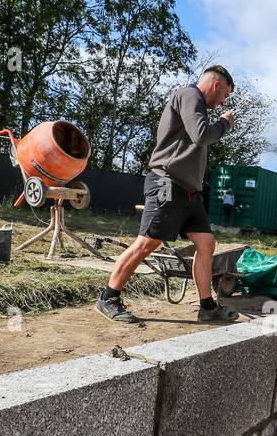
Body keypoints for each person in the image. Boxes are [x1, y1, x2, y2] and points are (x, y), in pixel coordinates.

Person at [98, 65, 239, 324]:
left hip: (189, 192)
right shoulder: (189, 95)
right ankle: (108, 297)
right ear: (216, 85)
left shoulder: (195, 104)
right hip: (166, 181)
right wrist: (224, 124)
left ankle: (207, 307)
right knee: (148, 243)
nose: (222, 103)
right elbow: (201, 134)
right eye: (225, 96)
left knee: (206, 243)